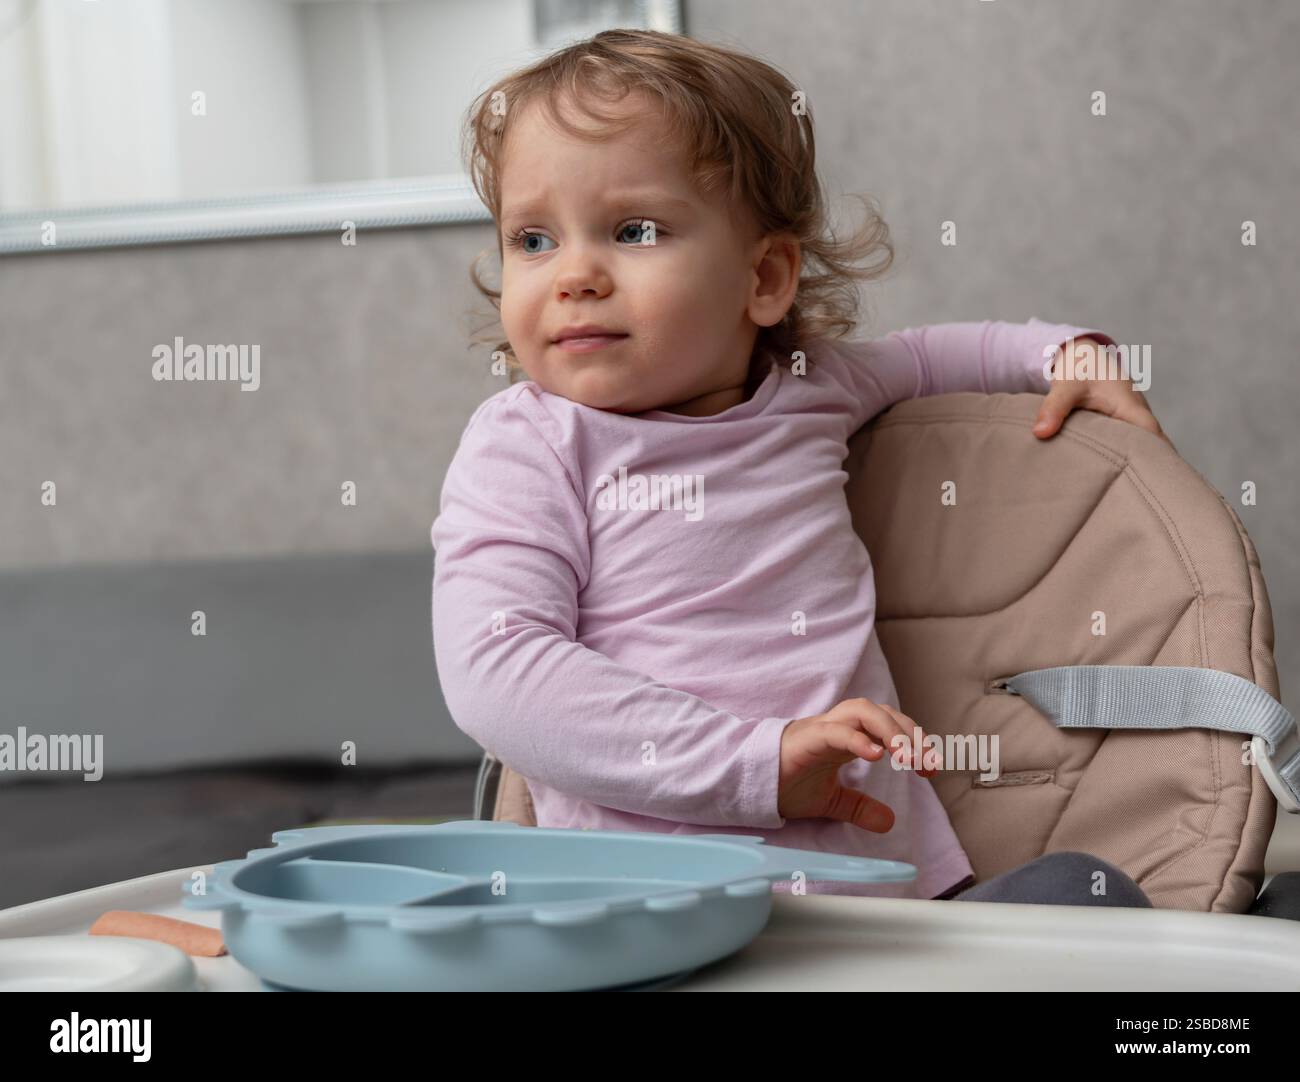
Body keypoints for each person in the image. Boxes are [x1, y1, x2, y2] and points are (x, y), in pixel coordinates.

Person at [432, 30, 1163, 904]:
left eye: (633, 229)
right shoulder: (530, 443)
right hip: (656, 902)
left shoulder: (813, 389)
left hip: (889, 892)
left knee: (1093, 893)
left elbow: (932, 356)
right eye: (534, 239)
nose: (575, 275)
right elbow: (497, 674)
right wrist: (758, 765)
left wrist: (1064, 352)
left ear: (767, 278)